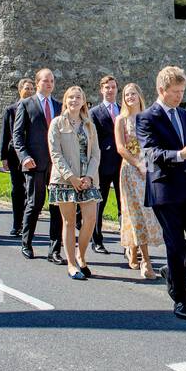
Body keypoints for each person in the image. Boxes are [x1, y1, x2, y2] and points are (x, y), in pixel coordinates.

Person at [137, 66, 186, 321]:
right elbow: (150, 154)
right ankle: (181, 300)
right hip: (165, 189)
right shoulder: (147, 117)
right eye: (175, 92)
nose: (180, 96)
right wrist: (180, 155)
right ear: (161, 90)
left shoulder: (185, 115)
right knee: (175, 244)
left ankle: (172, 271)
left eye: (182, 91)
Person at [49, 86, 102, 279]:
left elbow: (96, 153)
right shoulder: (57, 123)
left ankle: (81, 254)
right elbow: (55, 153)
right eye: (71, 97)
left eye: (78, 97)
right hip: (65, 181)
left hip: (88, 180)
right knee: (69, 222)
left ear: (83, 101)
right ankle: (71, 263)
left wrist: (88, 176)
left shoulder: (89, 125)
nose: (74, 100)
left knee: (90, 219)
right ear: (65, 100)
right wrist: (71, 177)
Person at [14, 68, 64, 262]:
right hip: (35, 163)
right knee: (34, 204)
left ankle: (55, 250)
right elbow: (17, 135)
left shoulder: (59, 106)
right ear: (37, 83)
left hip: (57, 165)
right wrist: (24, 156)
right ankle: (26, 243)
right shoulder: (27, 105)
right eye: (45, 81)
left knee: (57, 207)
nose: (49, 84)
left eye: (52, 80)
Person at [114, 82, 163, 279]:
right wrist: (138, 164)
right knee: (136, 213)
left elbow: (155, 144)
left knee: (150, 213)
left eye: (133, 93)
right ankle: (146, 262)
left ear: (140, 95)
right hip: (130, 171)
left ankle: (133, 250)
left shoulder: (148, 118)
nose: (130, 97)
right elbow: (121, 147)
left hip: (149, 169)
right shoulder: (121, 120)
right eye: (126, 95)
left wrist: (149, 166)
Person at [88, 75, 121, 255]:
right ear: (101, 90)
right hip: (103, 165)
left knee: (123, 205)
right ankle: (97, 240)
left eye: (113, 87)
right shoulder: (95, 112)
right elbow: (92, 140)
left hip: (122, 164)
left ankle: (127, 243)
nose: (110, 90)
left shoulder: (123, 110)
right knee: (100, 204)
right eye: (107, 87)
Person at [0, 77, 35, 239]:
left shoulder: (36, 108)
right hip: (15, 155)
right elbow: (6, 134)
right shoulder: (11, 110)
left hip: (32, 155)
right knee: (17, 190)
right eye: (26, 88)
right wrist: (3, 157)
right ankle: (16, 224)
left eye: (32, 89)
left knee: (31, 191)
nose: (29, 91)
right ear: (20, 90)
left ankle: (27, 224)